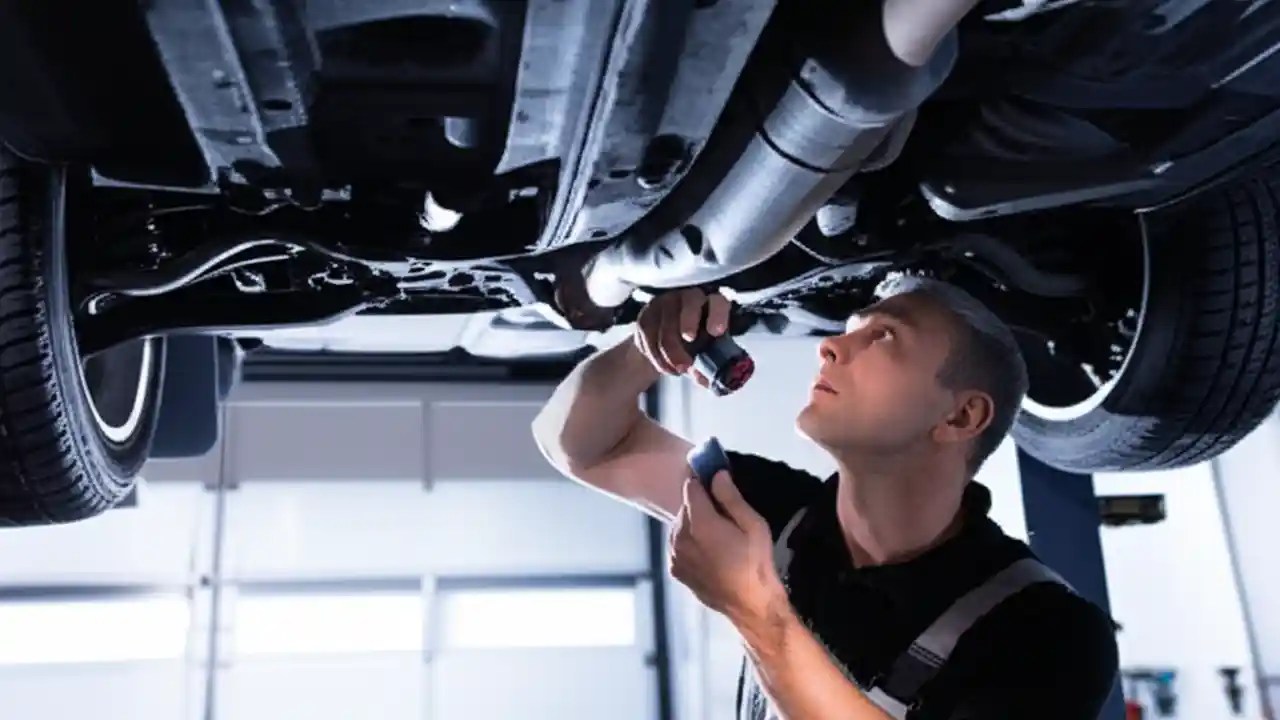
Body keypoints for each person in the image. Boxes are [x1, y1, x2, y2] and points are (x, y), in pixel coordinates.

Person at [532, 276, 1120, 719]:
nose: (831, 346)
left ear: (961, 416)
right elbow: (583, 445)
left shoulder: (1050, 634)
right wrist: (644, 350)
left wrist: (755, 611)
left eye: (884, 336)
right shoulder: (780, 511)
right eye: (851, 328)